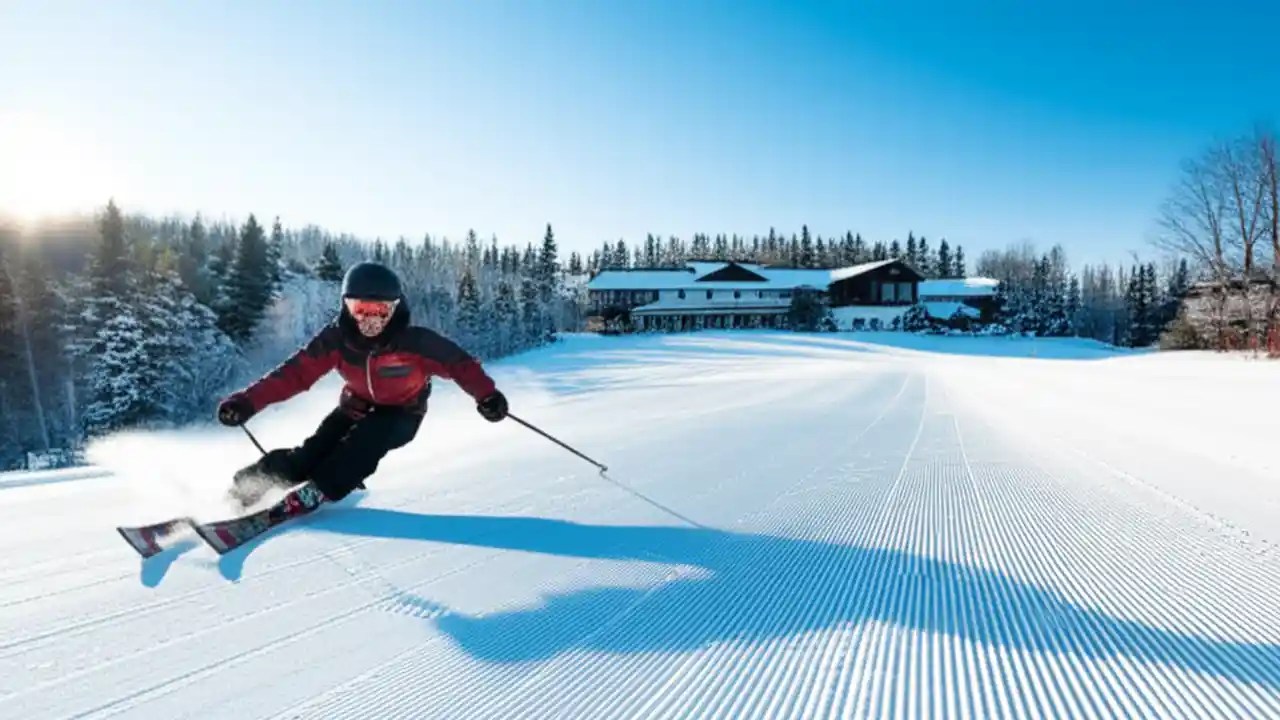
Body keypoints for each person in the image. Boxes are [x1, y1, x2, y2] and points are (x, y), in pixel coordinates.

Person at [215, 261, 508, 507]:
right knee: (310, 454)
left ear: (394, 309)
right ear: (347, 307)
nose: (370, 320)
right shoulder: (336, 340)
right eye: (361, 309)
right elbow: (294, 374)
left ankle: (322, 490)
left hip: (402, 414)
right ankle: (245, 489)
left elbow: (460, 364)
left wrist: (487, 395)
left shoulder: (415, 342)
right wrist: (246, 402)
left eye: (379, 311)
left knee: (366, 442)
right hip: (353, 406)